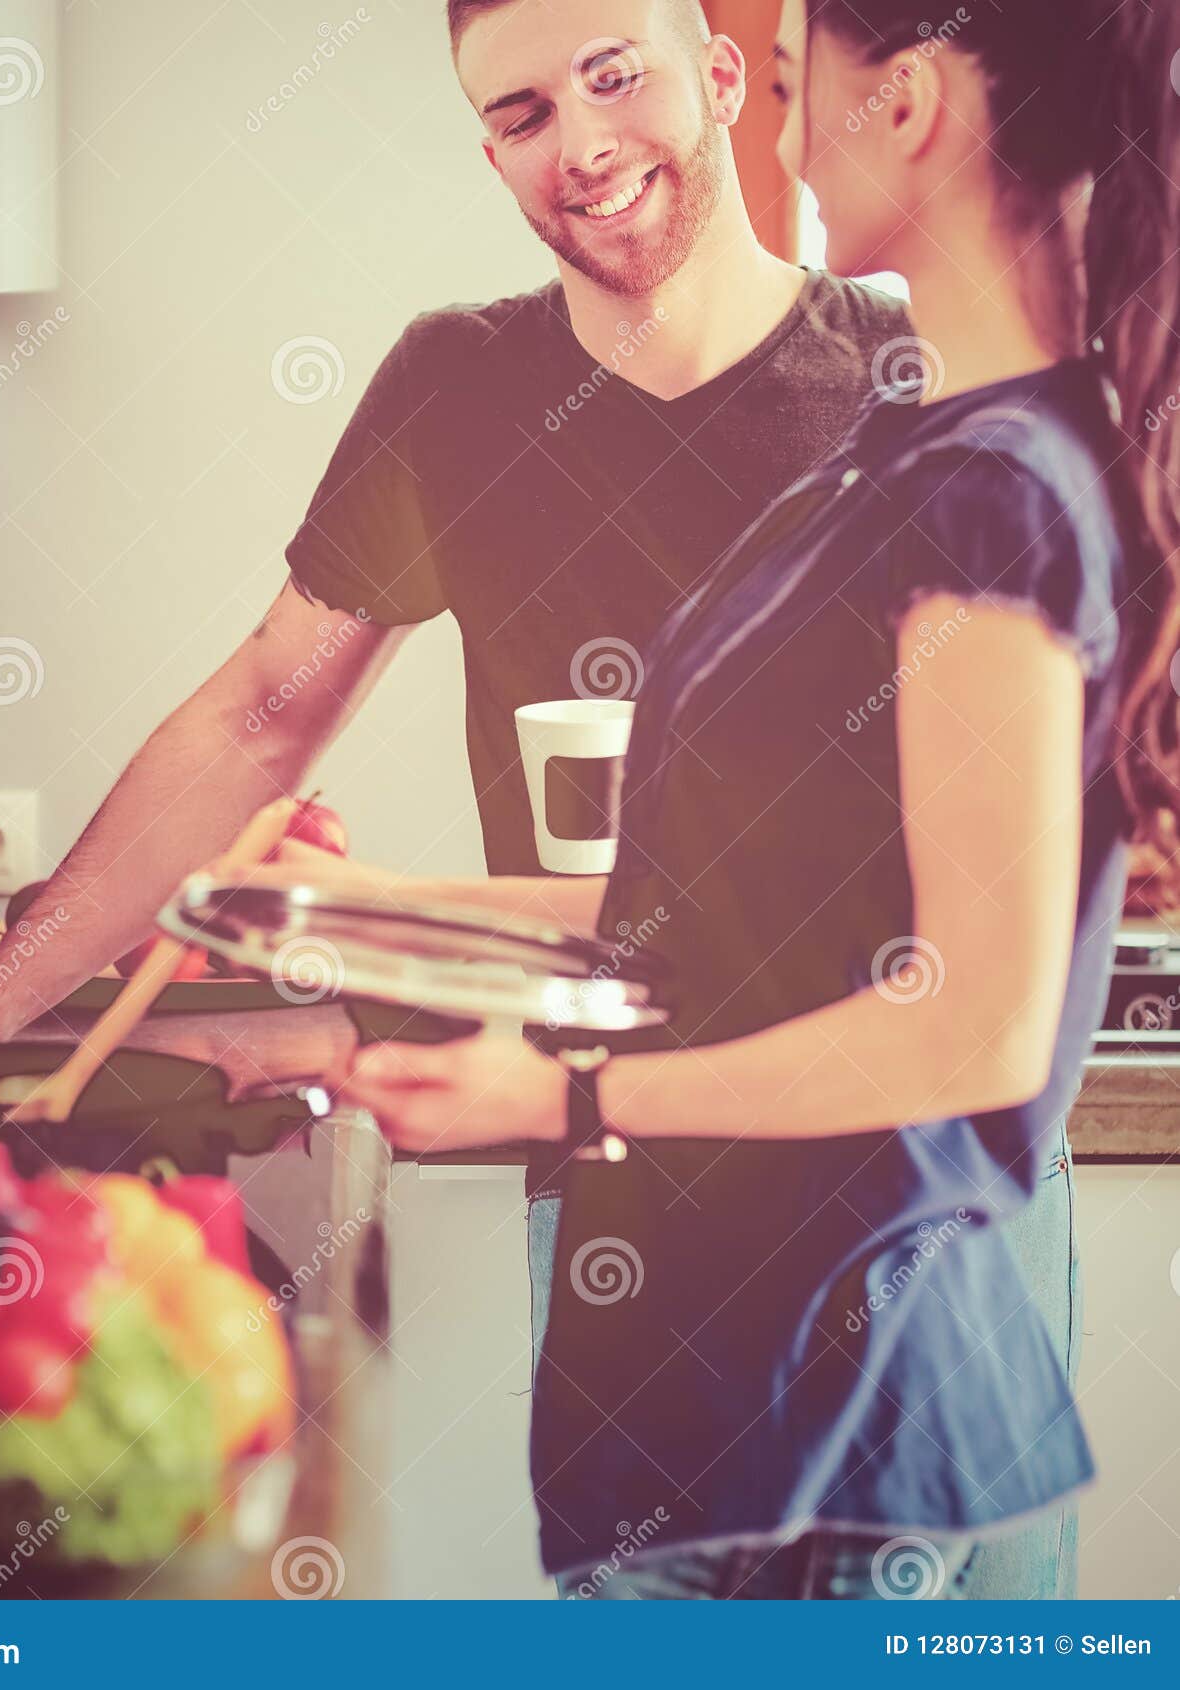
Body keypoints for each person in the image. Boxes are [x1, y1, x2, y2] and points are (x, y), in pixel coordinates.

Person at [274, 0, 1180, 1599]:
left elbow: (963, 1022)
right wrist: (350, 919)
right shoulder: (927, 467)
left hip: (847, 1377)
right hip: (728, 1391)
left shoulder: (983, 481)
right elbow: (733, 898)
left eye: (779, 79)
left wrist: (561, 1101)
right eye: (521, 114)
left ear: (897, 104)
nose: (776, 118)